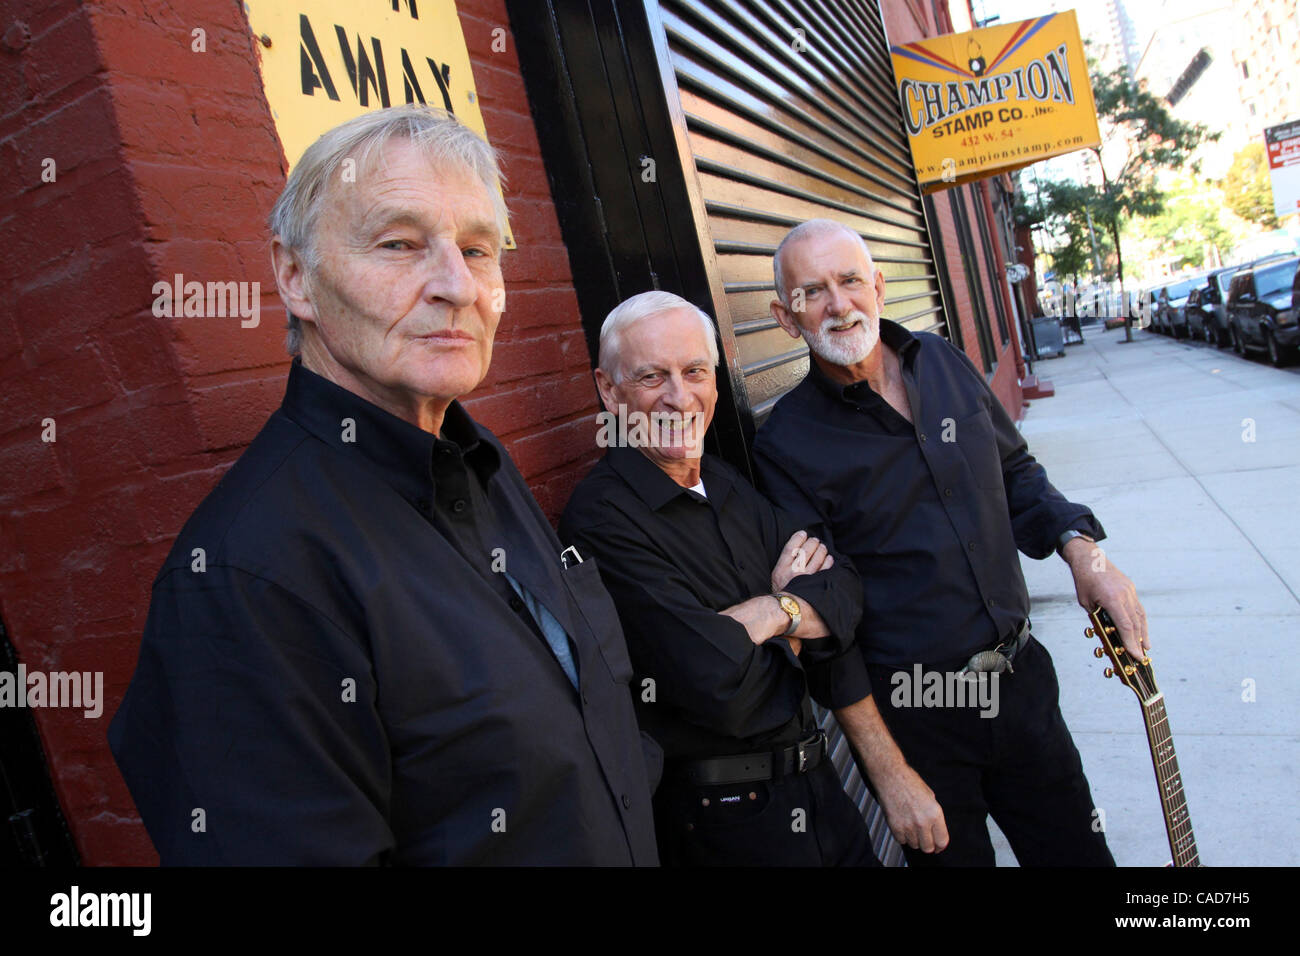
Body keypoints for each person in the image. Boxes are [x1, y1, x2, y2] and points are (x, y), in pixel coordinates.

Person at [108, 106, 658, 865]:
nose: (456, 286)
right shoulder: (247, 580)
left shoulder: (478, 458)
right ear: (296, 276)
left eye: (478, 249)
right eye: (400, 245)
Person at [753, 218, 1150, 867]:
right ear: (784, 316)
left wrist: (1085, 552)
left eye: (850, 280)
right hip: (917, 718)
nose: (839, 303)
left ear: (878, 286)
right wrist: (890, 774)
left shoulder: (940, 361)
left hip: (1022, 684)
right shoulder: (788, 445)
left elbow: (1017, 473)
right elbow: (827, 630)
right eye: (812, 292)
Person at [559, 291, 881, 867]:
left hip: (821, 792)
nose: (679, 398)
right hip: (727, 825)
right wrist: (796, 617)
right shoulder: (602, 518)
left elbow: (848, 590)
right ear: (609, 390)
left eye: (694, 371)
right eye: (652, 376)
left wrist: (766, 616)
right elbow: (720, 690)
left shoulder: (726, 481)